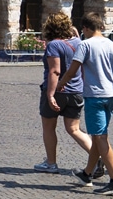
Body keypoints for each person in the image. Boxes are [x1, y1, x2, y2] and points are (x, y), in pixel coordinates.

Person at [56, 11, 113, 197]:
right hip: (111, 95)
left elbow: (72, 70)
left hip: (95, 96)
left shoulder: (85, 45)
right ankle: (87, 173)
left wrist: (60, 84)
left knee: (100, 137)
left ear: (86, 28)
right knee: (99, 135)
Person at [34, 12, 91, 173]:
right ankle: (97, 156)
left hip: (58, 90)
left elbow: (55, 71)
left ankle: (51, 163)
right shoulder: (78, 42)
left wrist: (50, 94)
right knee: (74, 129)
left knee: (49, 127)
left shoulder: (54, 45)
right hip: (76, 91)